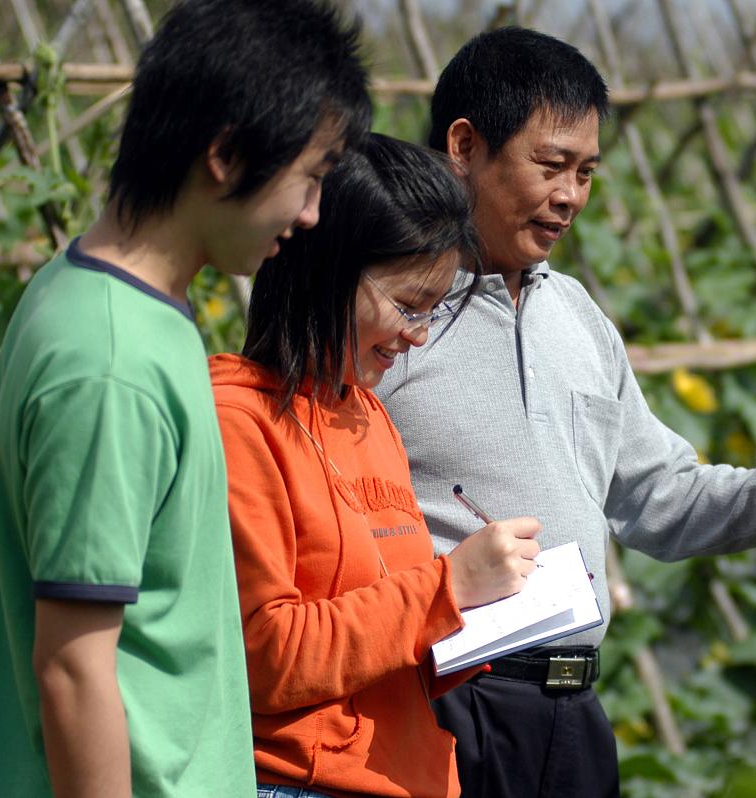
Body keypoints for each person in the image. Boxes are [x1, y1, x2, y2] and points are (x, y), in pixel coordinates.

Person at [374, 26, 756, 797]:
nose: (571, 195)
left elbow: (658, 496)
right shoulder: (388, 321)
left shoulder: (577, 316)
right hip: (438, 708)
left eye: (588, 172)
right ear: (464, 146)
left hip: (570, 711)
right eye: (551, 165)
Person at [0, 1, 369, 795]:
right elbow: (74, 670)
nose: (314, 213)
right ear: (223, 154)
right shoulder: (111, 363)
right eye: (308, 179)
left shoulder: (122, 306)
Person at [211, 134, 542, 798]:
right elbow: (263, 656)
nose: (417, 335)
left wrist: (479, 617)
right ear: (328, 270)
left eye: (432, 310)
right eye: (406, 306)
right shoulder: (237, 423)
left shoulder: (367, 414)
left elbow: (385, 626)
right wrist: (447, 590)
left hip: (410, 774)